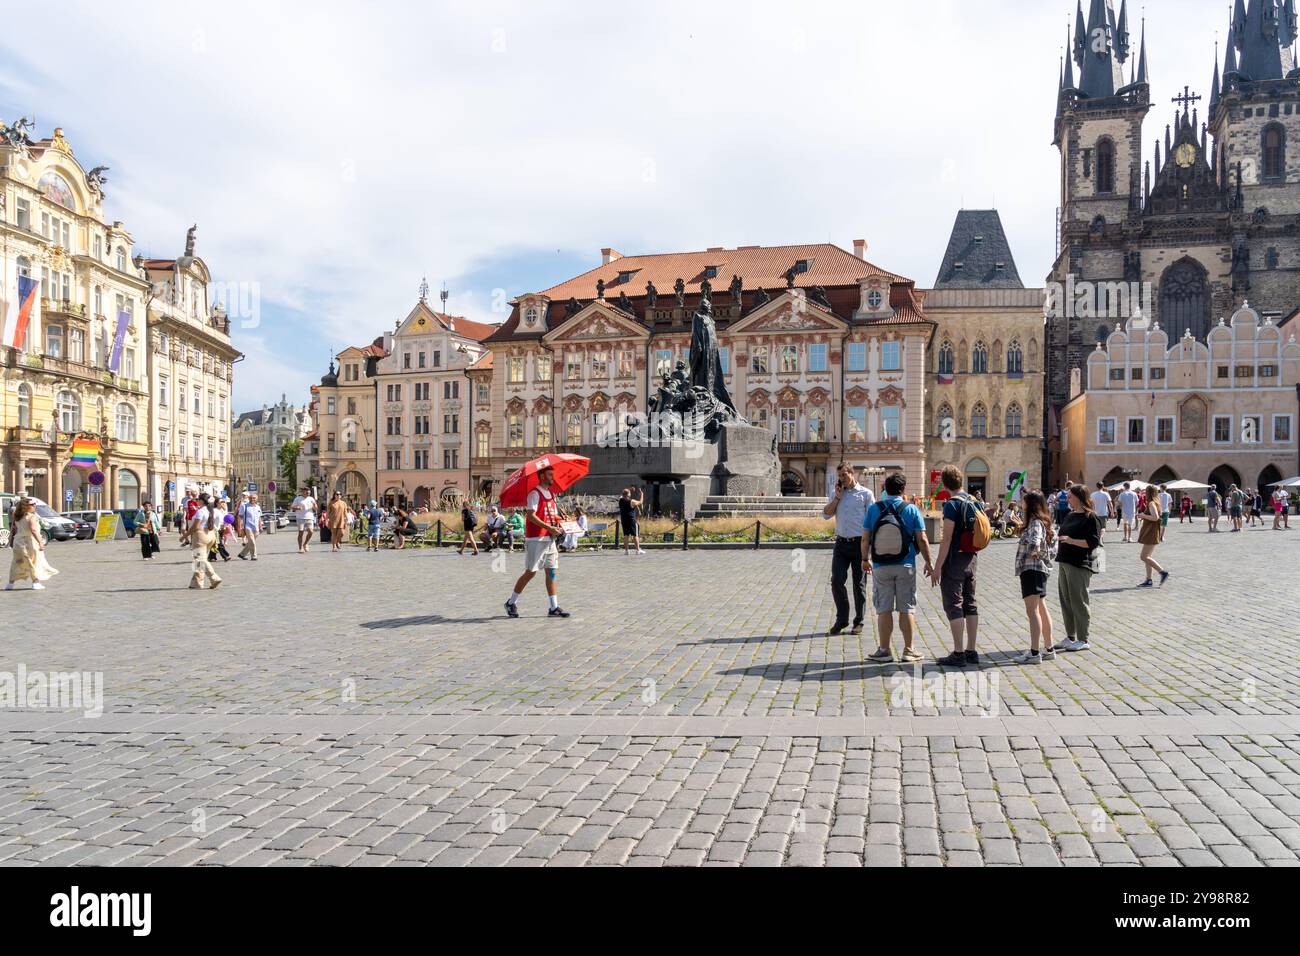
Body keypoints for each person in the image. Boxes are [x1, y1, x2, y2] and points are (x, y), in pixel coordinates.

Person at [862, 472, 930, 662]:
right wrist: (929, 562)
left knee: (883, 609)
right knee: (906, 608)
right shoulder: (911, 509)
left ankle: (884, 650)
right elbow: (922, 539)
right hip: (905, 564)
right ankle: (909, 650)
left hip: (880, 565)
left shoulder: (874, 509)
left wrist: (864, 559)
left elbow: (865, 537)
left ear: (885, 489)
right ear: (903, 489)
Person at [929, 465, 982, 667]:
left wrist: (937, 567)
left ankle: (958, 653)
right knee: (971, 603)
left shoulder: (951, 504)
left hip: (955, 560)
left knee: (954, 604)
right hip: (972, 558)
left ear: (945, 483)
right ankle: (971, 651)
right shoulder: (974, 501)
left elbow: (947, 539)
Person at [504, 466, 569, 618]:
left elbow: (550, 516)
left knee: (551, 571)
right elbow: (531, 516)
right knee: (531, 572)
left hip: (550, 539)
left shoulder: (551, 494)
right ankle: (511, 602)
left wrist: (562, 522)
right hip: (536, 538)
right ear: (541, 476)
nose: (553, 477)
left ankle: (553, 607)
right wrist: (549, 527)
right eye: (550, 474)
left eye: (553, 474)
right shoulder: (535, 493)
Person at [823, 463, 876, 636]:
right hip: (841, 544)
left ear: (853, 474)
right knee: (836, 581)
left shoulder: (866, 494)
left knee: (858, 584)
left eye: (844, 475)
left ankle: (858, 621)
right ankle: (842, 618)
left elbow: (872, 521)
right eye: (839, 475)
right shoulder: (837, 493)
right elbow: (826, 514)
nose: (841, 478)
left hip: (859, 543)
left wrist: (868, 552)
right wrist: (837, 497)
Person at [1055, 485, 1102, 652]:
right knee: (1066, 601)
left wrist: (1071, 540)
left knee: (1079, 601)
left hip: (1080, 564)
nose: (1067, 499)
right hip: (1064, 561)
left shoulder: (1091, 517)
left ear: (1079, 497)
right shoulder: (1070, 515)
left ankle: (1083, 638)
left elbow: (1092, 542)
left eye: (1070, 496)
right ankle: (1070, 636)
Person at [1014, 491, 1058, 664]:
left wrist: (1034, 551)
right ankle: (1049, 648)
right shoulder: (1041, 522)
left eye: (1023, 501)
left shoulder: (1035, 523)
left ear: (1030, 504)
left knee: (1032, 611)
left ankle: (1034, 653)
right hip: (1040, 570)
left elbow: (1035, 540)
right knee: (1041, 608)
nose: (1020, 503)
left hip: (1031, 569)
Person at [6, 498, 58, 591]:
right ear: (27, 507)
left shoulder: (17, 516)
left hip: (18, 542)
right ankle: (35, 582)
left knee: (17, 562)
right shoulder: (31, 517)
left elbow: (14, 529)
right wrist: (40, 542)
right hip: (29, 542)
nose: (35, 506)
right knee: (33, 562)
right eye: (33, 504)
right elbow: (33, 530)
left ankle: (10, 584)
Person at [188, 493, 222, 590]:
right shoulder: (212, 511)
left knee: (200, 559)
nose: (197, 500)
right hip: (210, 535)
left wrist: (184, 536)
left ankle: (214, 577)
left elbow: (195, 527)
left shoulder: (201, 511)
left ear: (202, 501)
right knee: (199, 559)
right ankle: (196, 582)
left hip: (200, 536)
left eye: (198, 499)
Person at [1136, 491, 1168, 588]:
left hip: (1151, 532)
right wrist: (1144, 516)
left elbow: (1155, 517)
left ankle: (1163, 572)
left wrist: (1143, 515)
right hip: (1152, 531)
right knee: (1148, 557)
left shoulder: (1151, 503)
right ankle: (1149, 580)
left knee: (1143, 557)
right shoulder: (1156, 502)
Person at [619, 487, 646, 555]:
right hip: (631, 520)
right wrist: (642, 494)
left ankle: (626, 551)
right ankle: (638, 550)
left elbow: (623, 494)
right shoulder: (632, 501)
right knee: (635, 535)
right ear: (629, 494)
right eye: (630, 493)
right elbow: (640, 502)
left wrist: (629, 489)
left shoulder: (620, 500)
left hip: (624, 520)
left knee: (626, 535)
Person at [292, 486, 317, 553]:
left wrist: (314, 506)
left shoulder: (311, 499)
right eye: (307, 492)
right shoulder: (298, 498)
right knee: (301, 532)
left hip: (310, 517)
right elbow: (292, 507)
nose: (308, 494)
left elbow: (315, 508)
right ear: (303, 492)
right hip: (300, 517)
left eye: (309, 493)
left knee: (311, 531)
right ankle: (300, 548)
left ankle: (305, 543)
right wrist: (298, 508)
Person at [237, 493, 262, 560]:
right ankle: (254, 556)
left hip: (256, 527)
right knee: (252, 542)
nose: (252, 499)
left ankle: (242, 554)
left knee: (250, 542)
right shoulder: (244, 506)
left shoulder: (258, 507)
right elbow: (240, 516)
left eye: (254, 498)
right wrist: (240, 527)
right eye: (251, 498)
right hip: (248, 526)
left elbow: (259, 517)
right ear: (248, 498)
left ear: (257, 499)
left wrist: (260, 526)